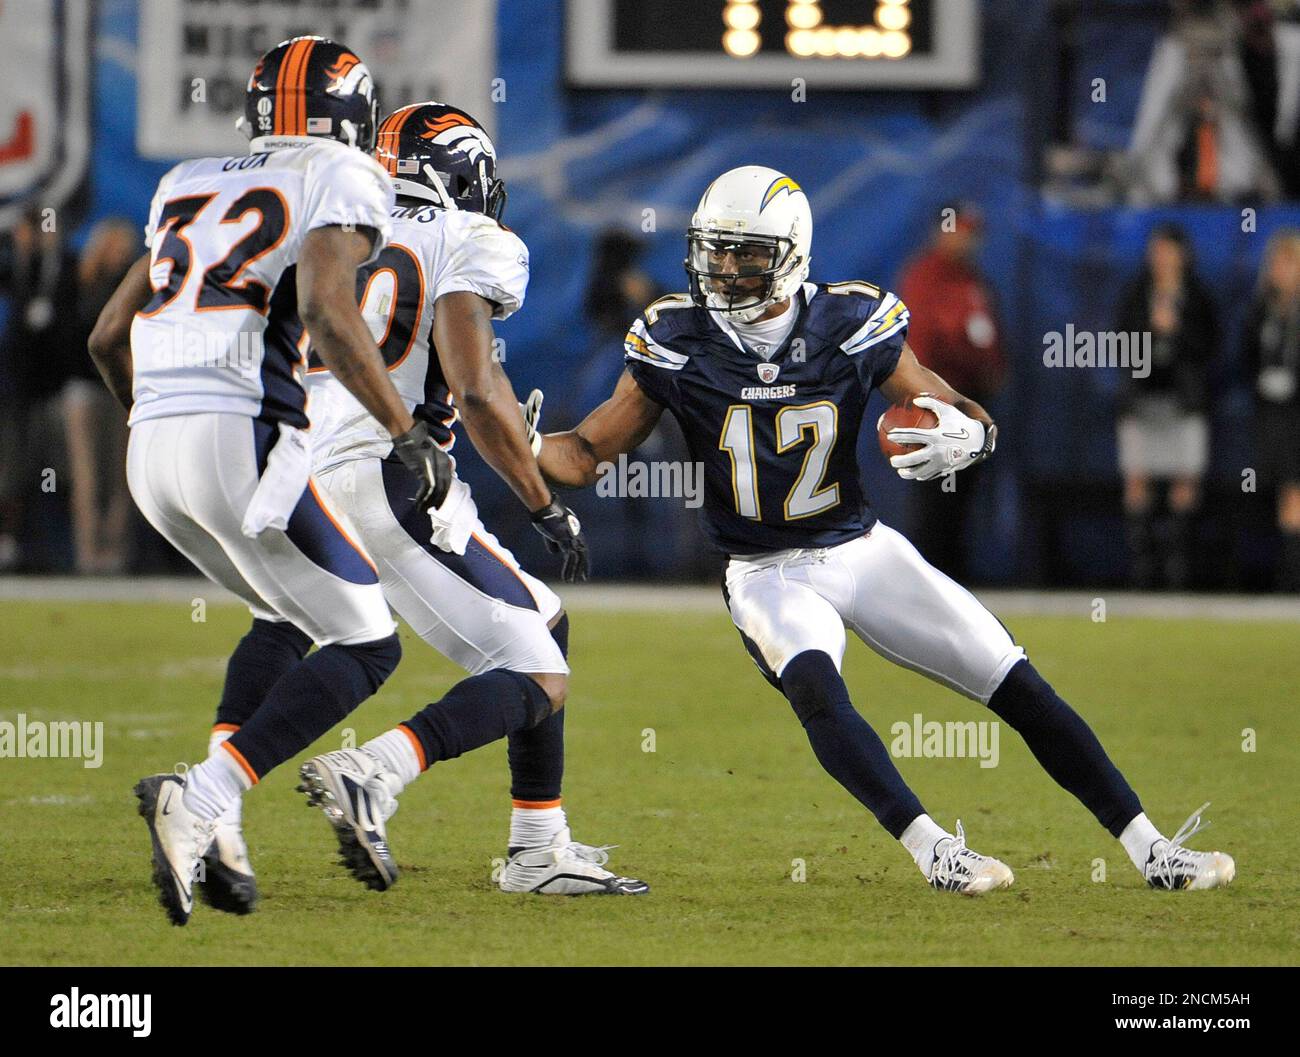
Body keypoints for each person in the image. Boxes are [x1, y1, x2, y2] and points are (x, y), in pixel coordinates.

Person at [523, 166, 1234, 895]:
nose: (727, 269)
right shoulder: (676, 334)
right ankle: (935, 851)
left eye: (746, 252)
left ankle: (1152, 849)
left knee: (1014, 679)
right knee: (817, 690)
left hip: (862, 549)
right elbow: (584, 451)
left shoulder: (848, 321)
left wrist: (970, 439)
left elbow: (956, 403)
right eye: (716, 250)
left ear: (792, 252)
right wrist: (521, 443)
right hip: (764, 569)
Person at [87, 36, 454, 926]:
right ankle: (203, 796)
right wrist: (405, 431)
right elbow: (330, 312)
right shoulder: (340, 172)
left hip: (152, 451)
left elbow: (106, 335)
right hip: (241, 436)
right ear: (354, 117)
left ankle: (222, 830)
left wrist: (157, 417)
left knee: (283, 614)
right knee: (371, 644)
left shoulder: (184, 179)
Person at [298, 101, 645, 895]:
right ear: (467, 175)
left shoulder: (335, 232)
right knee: (540, 670)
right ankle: (375, 771)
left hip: (311, 481)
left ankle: (538, 844)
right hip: (392, 478)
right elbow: (475, 388)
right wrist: (542, 502)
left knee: (545, 620)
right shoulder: (467, 237)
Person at [895, 205, 1005, 580]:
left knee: (960, 502)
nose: (968, 239)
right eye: (961, 230)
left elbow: (986, 335)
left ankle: (954, 579)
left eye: (972, 232)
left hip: (971, 400)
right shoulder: (926, 276)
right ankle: (928, 580)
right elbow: (919, 348)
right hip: (939, 404)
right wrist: (931, 401)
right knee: (935, 499)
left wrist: (992, 371)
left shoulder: (971, 278)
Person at [1114, 223, 1217, 590]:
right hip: (1142, 401)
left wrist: (1176, 330)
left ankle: (1178, 576)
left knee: (1184, 480)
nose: (1161, 259)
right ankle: (1143, 575)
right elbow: (1120, 344)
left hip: (1184, 402)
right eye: (1156, 251)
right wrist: (1151, 329)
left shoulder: (1198, 297)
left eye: (1168, 251)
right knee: (1137, 481)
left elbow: (1210, 349)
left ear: (1182, 255)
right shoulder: (1136, 293)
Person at [0, 206, 81, 570]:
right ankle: (16, 542)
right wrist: (21, 252)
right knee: (17, 468)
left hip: (57, 384)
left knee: (57, 470)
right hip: (19, 386)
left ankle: (56, 549)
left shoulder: (64, 263)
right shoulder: (19, 266)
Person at [64, 218, 138, 573]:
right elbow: (91, 340)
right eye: (120, 243)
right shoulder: (80, 279)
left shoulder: (131, 283)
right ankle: (87, 553)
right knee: (87, 477)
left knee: (123, 476)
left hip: (121, 387)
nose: (125, 251)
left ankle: (115, 552)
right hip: (85, 389)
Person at [1242, 227, 1300, 590]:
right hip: (1272, 414)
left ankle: (1292, 581)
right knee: (1279, 491)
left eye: (1287, 262)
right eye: (1276, 262)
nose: (1279, 269)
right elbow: (1247, 354)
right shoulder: (1263, 307)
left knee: (1294, 491)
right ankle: (1283, 577)